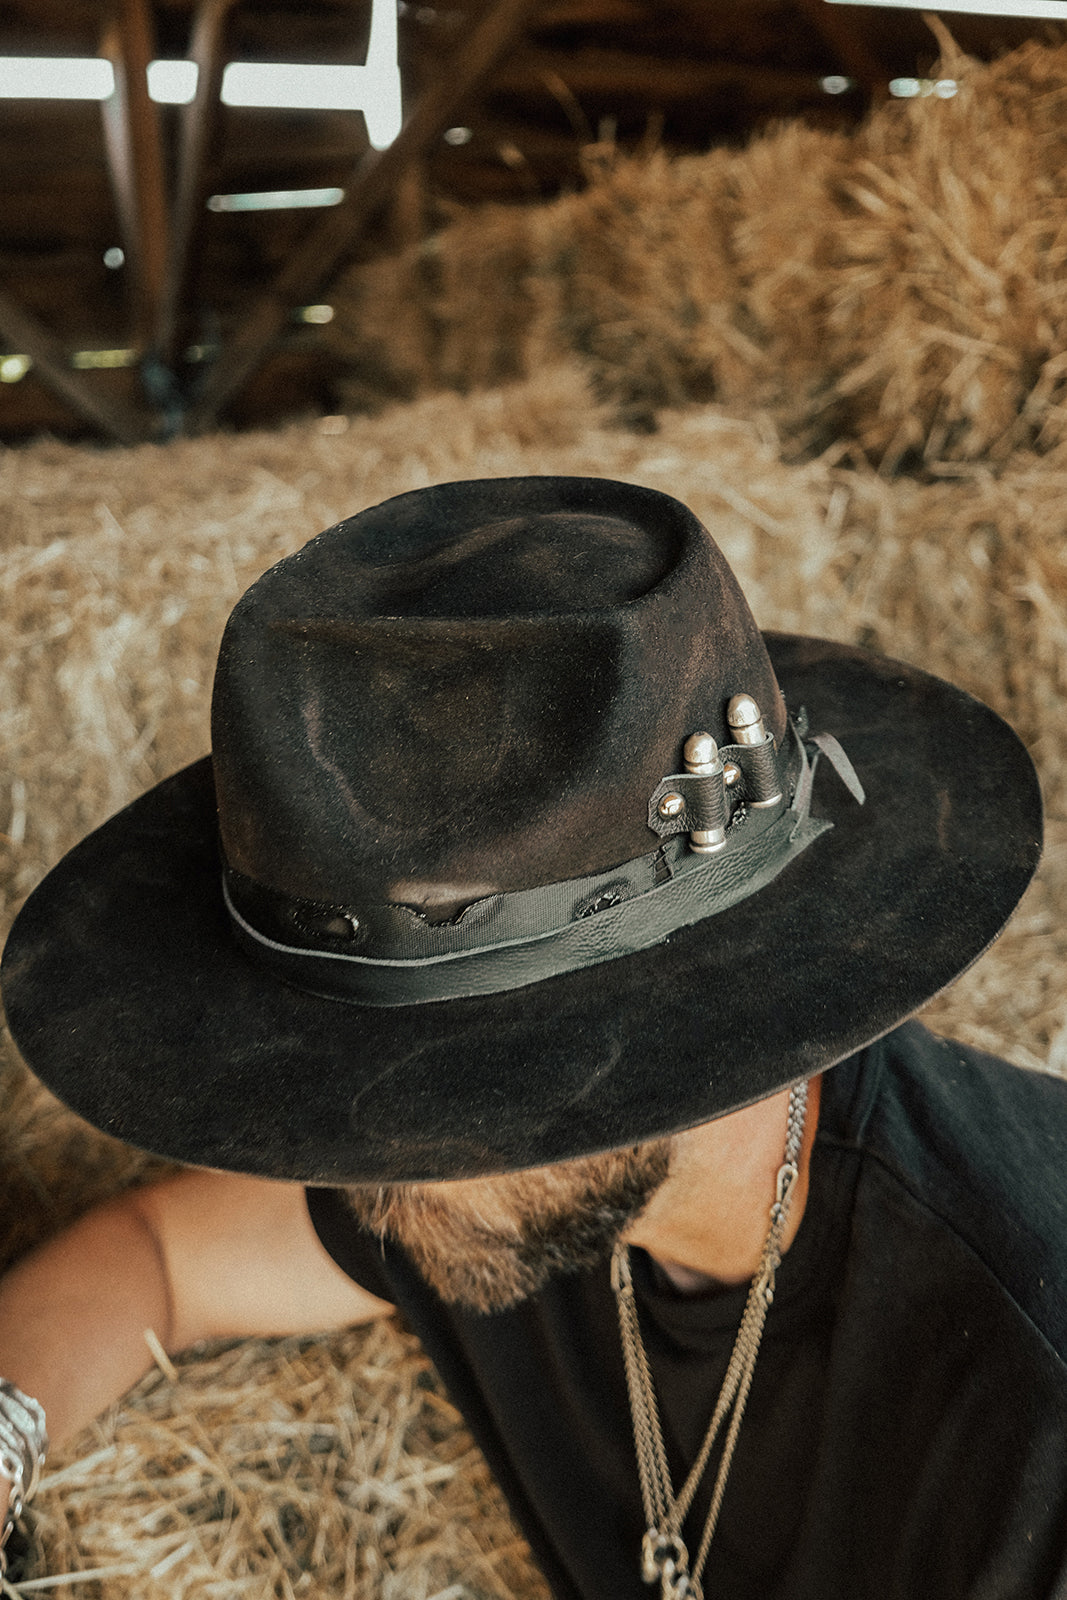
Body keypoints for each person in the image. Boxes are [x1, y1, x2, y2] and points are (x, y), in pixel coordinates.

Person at [0, 475, 1061, 1599]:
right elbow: (156, 1258)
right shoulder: (470, 1174)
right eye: (341, 1063)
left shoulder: (1026, 1416)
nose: (365, 1146)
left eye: (454, 1073)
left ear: (657, 1009)